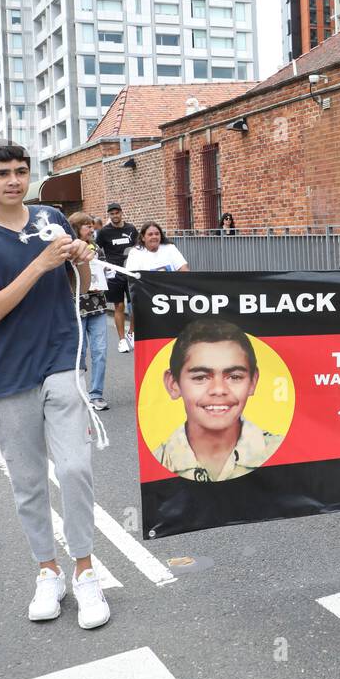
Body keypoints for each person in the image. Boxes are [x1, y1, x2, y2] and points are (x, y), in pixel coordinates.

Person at [0, 140, 109, 630]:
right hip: (9, 372)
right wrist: (39, 263)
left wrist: (81, 257)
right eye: (2, 174)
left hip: (62, 359)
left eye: (21, 171)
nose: (14, 181)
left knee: (77, 468)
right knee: (29, 483)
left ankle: (85, 571)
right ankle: (48, 570)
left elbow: (81, 284)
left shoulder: (51, 219)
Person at [153, 318, 283, 481]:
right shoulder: (158, 461)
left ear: (253, 381)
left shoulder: (283, 453)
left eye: (234, 377)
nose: (219, 389)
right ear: (173, 384)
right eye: (200, 377)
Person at [69, 212, 110, 412]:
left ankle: (96, 394)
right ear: (76, 228)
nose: (91, 229)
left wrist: (104, 278)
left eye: (91, 225)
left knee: (100, 351)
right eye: (86, 226)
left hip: (98, 305)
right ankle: (80, 392)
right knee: (80, 351)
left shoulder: (98, 249)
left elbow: (106, 273)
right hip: (77, 306)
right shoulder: (69, 250)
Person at [95, 202, 138, 354]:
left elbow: (138, 248)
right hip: (114, 274)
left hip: (131, 271)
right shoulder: (104, 232)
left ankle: (131, 333)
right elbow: (96, 249)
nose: (114, 216)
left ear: (121, 213)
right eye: (111, 214)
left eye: (117, 213)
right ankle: (121, 340)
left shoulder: (131, 229)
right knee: (119, 306)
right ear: (109, 215)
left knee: (135, 306)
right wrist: (102, 266)